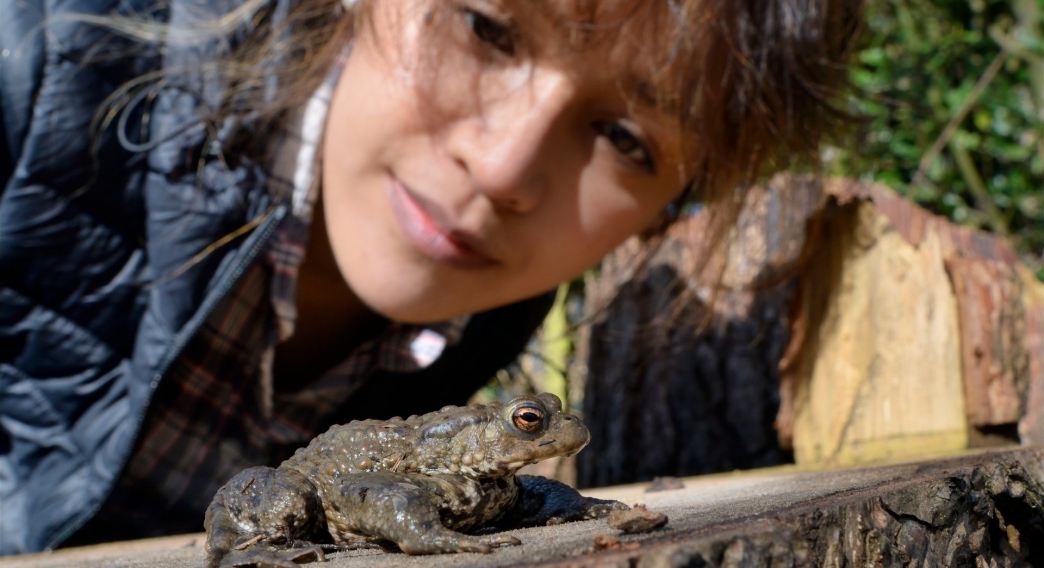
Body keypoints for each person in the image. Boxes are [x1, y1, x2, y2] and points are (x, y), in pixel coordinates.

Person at [0, 0, 861, 555]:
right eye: (486, 26)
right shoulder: (33, 71)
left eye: (627, 140)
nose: (501, 169)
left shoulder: (495, 300)